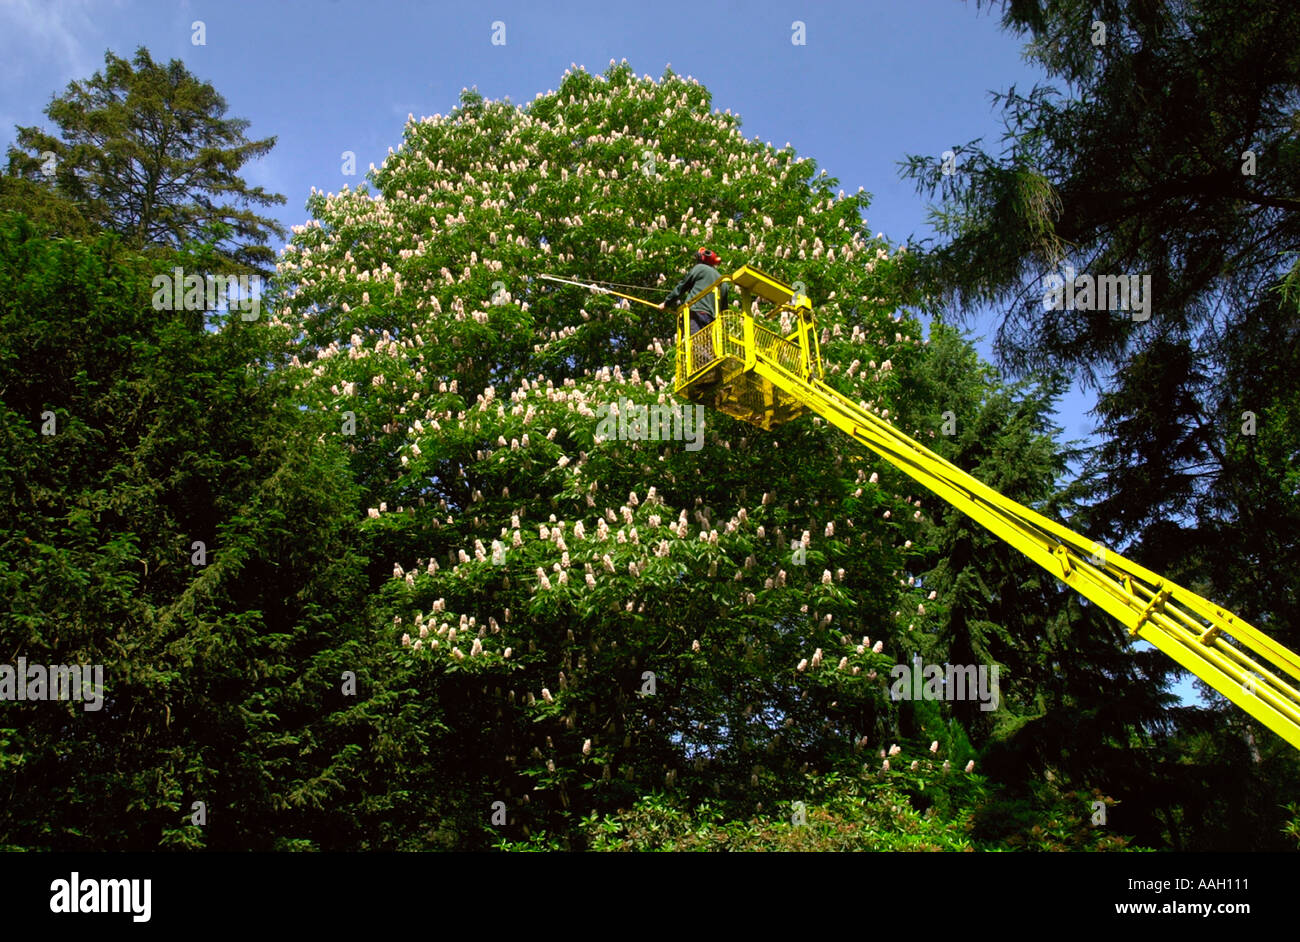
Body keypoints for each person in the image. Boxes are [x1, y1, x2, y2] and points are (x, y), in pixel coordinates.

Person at [662, 248, 729, 367]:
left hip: (695, 312)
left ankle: (706, 370)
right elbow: (724, 309)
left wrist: (666, 303)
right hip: (711, 319)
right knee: (708, 346)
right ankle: (713, 371)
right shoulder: (723, 281)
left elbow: (681, 287)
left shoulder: (699, 269)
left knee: (696, 343)